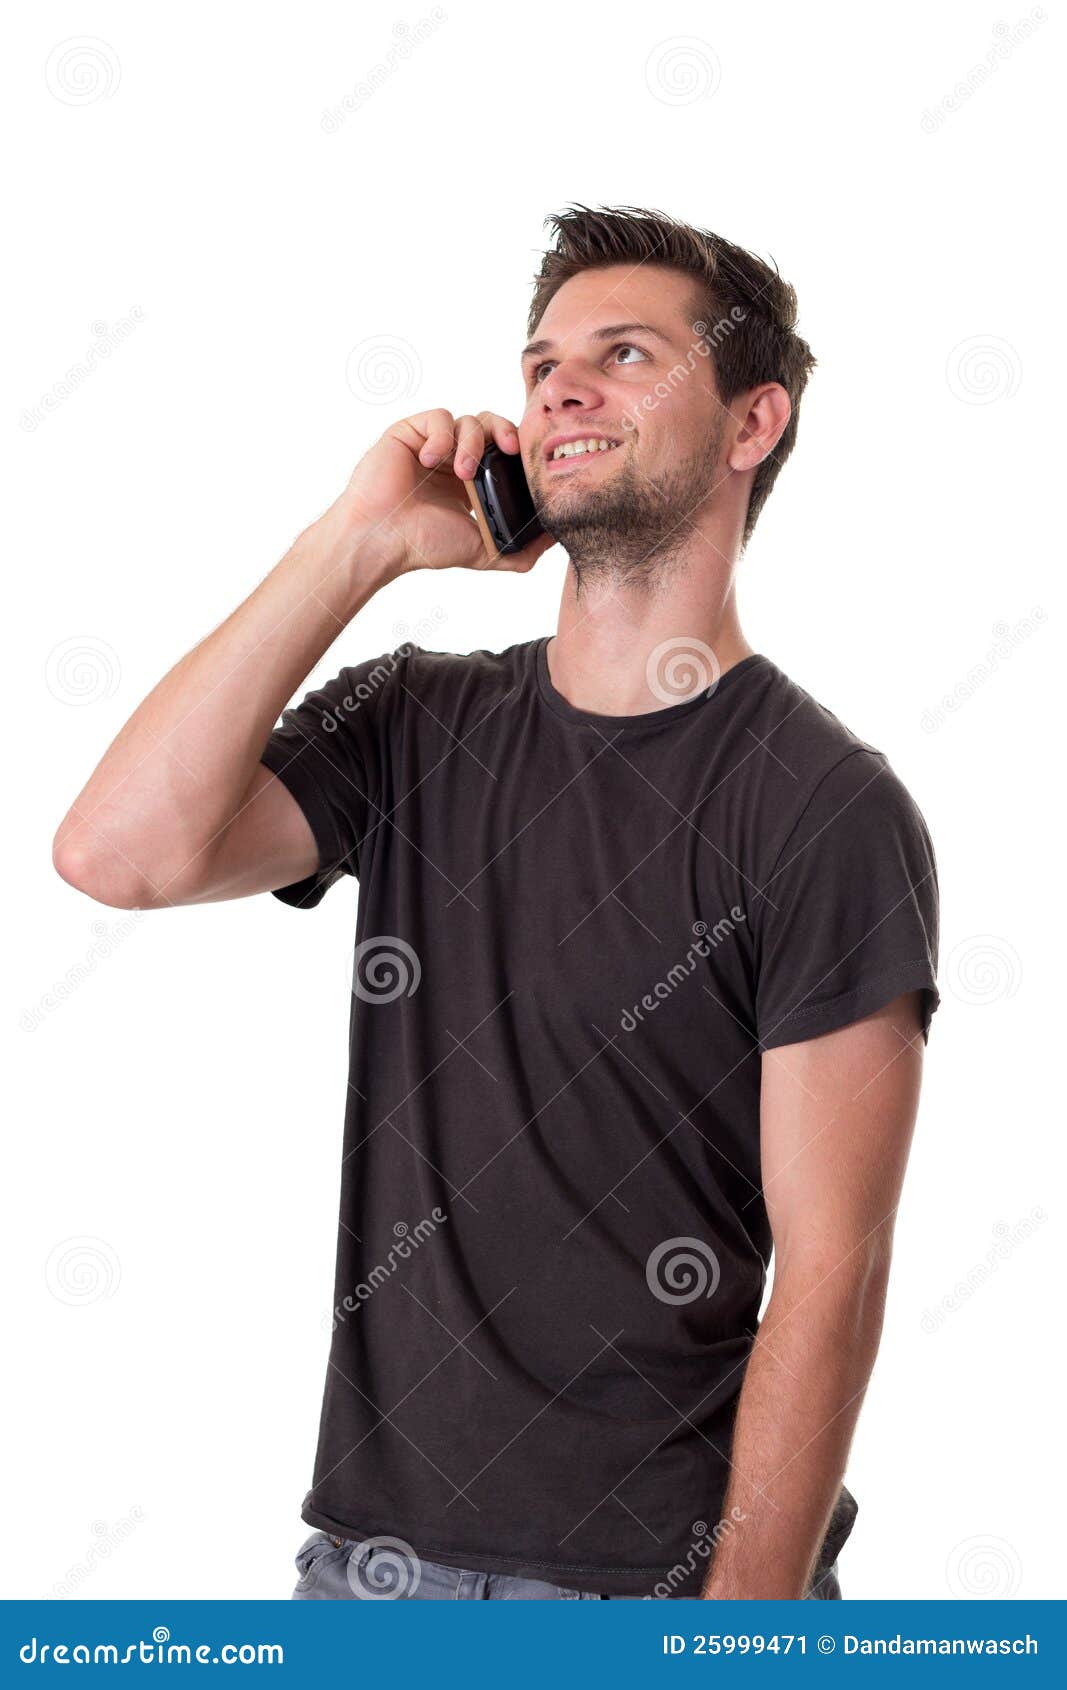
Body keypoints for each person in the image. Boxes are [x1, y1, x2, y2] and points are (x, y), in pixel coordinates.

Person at [53, 205, 939, 1601]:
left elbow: (833, 1274)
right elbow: (120, 853)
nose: (557, 391)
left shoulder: (824, 806)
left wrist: (744, 1635)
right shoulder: (419, 721)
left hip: (653, 1587)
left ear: (752, 422)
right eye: (540, 368)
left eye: (624, 354)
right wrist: (355, 544)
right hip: (369, 1578)